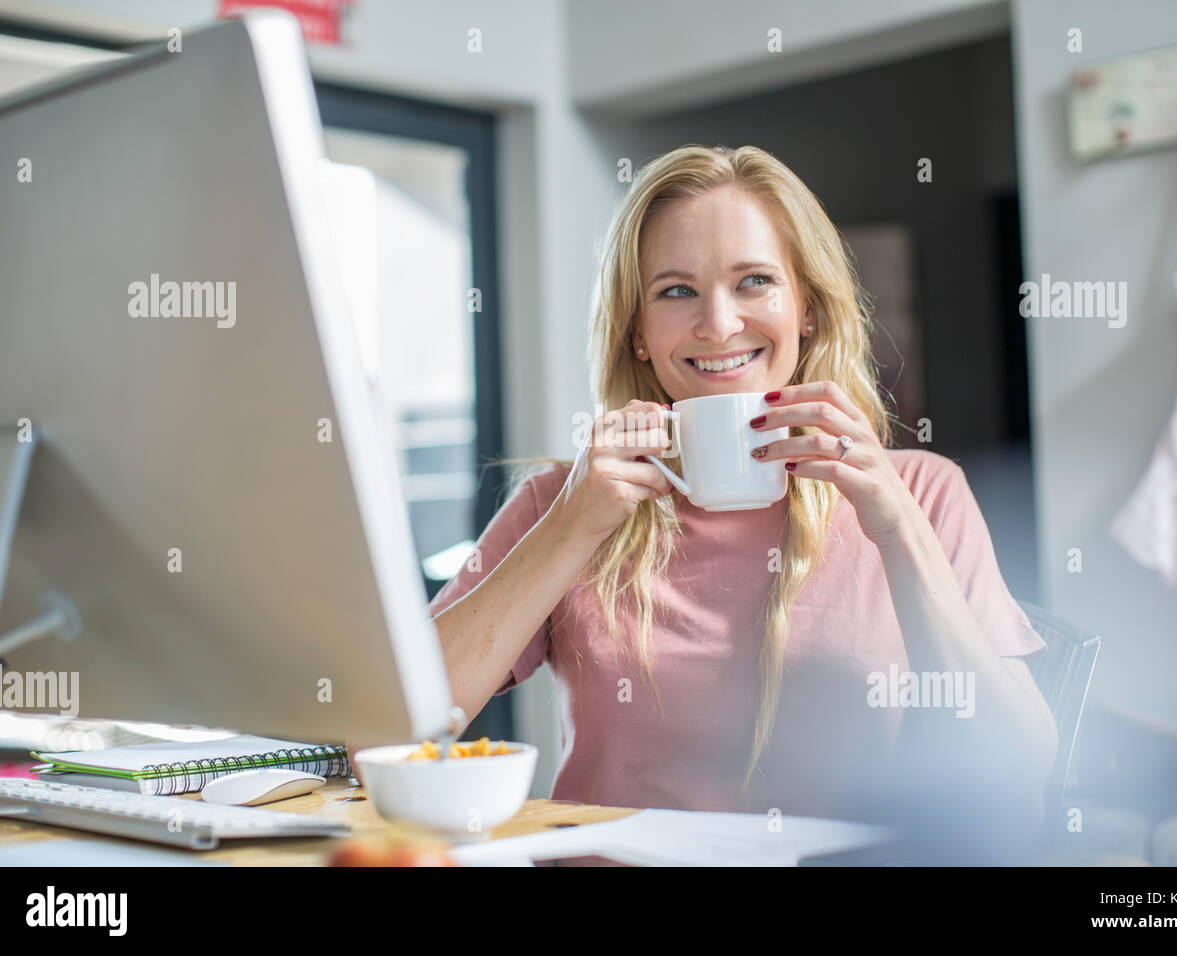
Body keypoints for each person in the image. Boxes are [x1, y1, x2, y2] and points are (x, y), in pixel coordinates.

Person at [426, 144, 1058, 856]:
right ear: (638, 332)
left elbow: (1020, 781)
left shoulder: (920, 493)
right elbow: (389, 733)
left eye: (754, 281)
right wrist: (568, 529)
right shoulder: (565, 501)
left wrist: (897, 529)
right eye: (675, 291)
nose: (719, 325)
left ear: (809, 310)